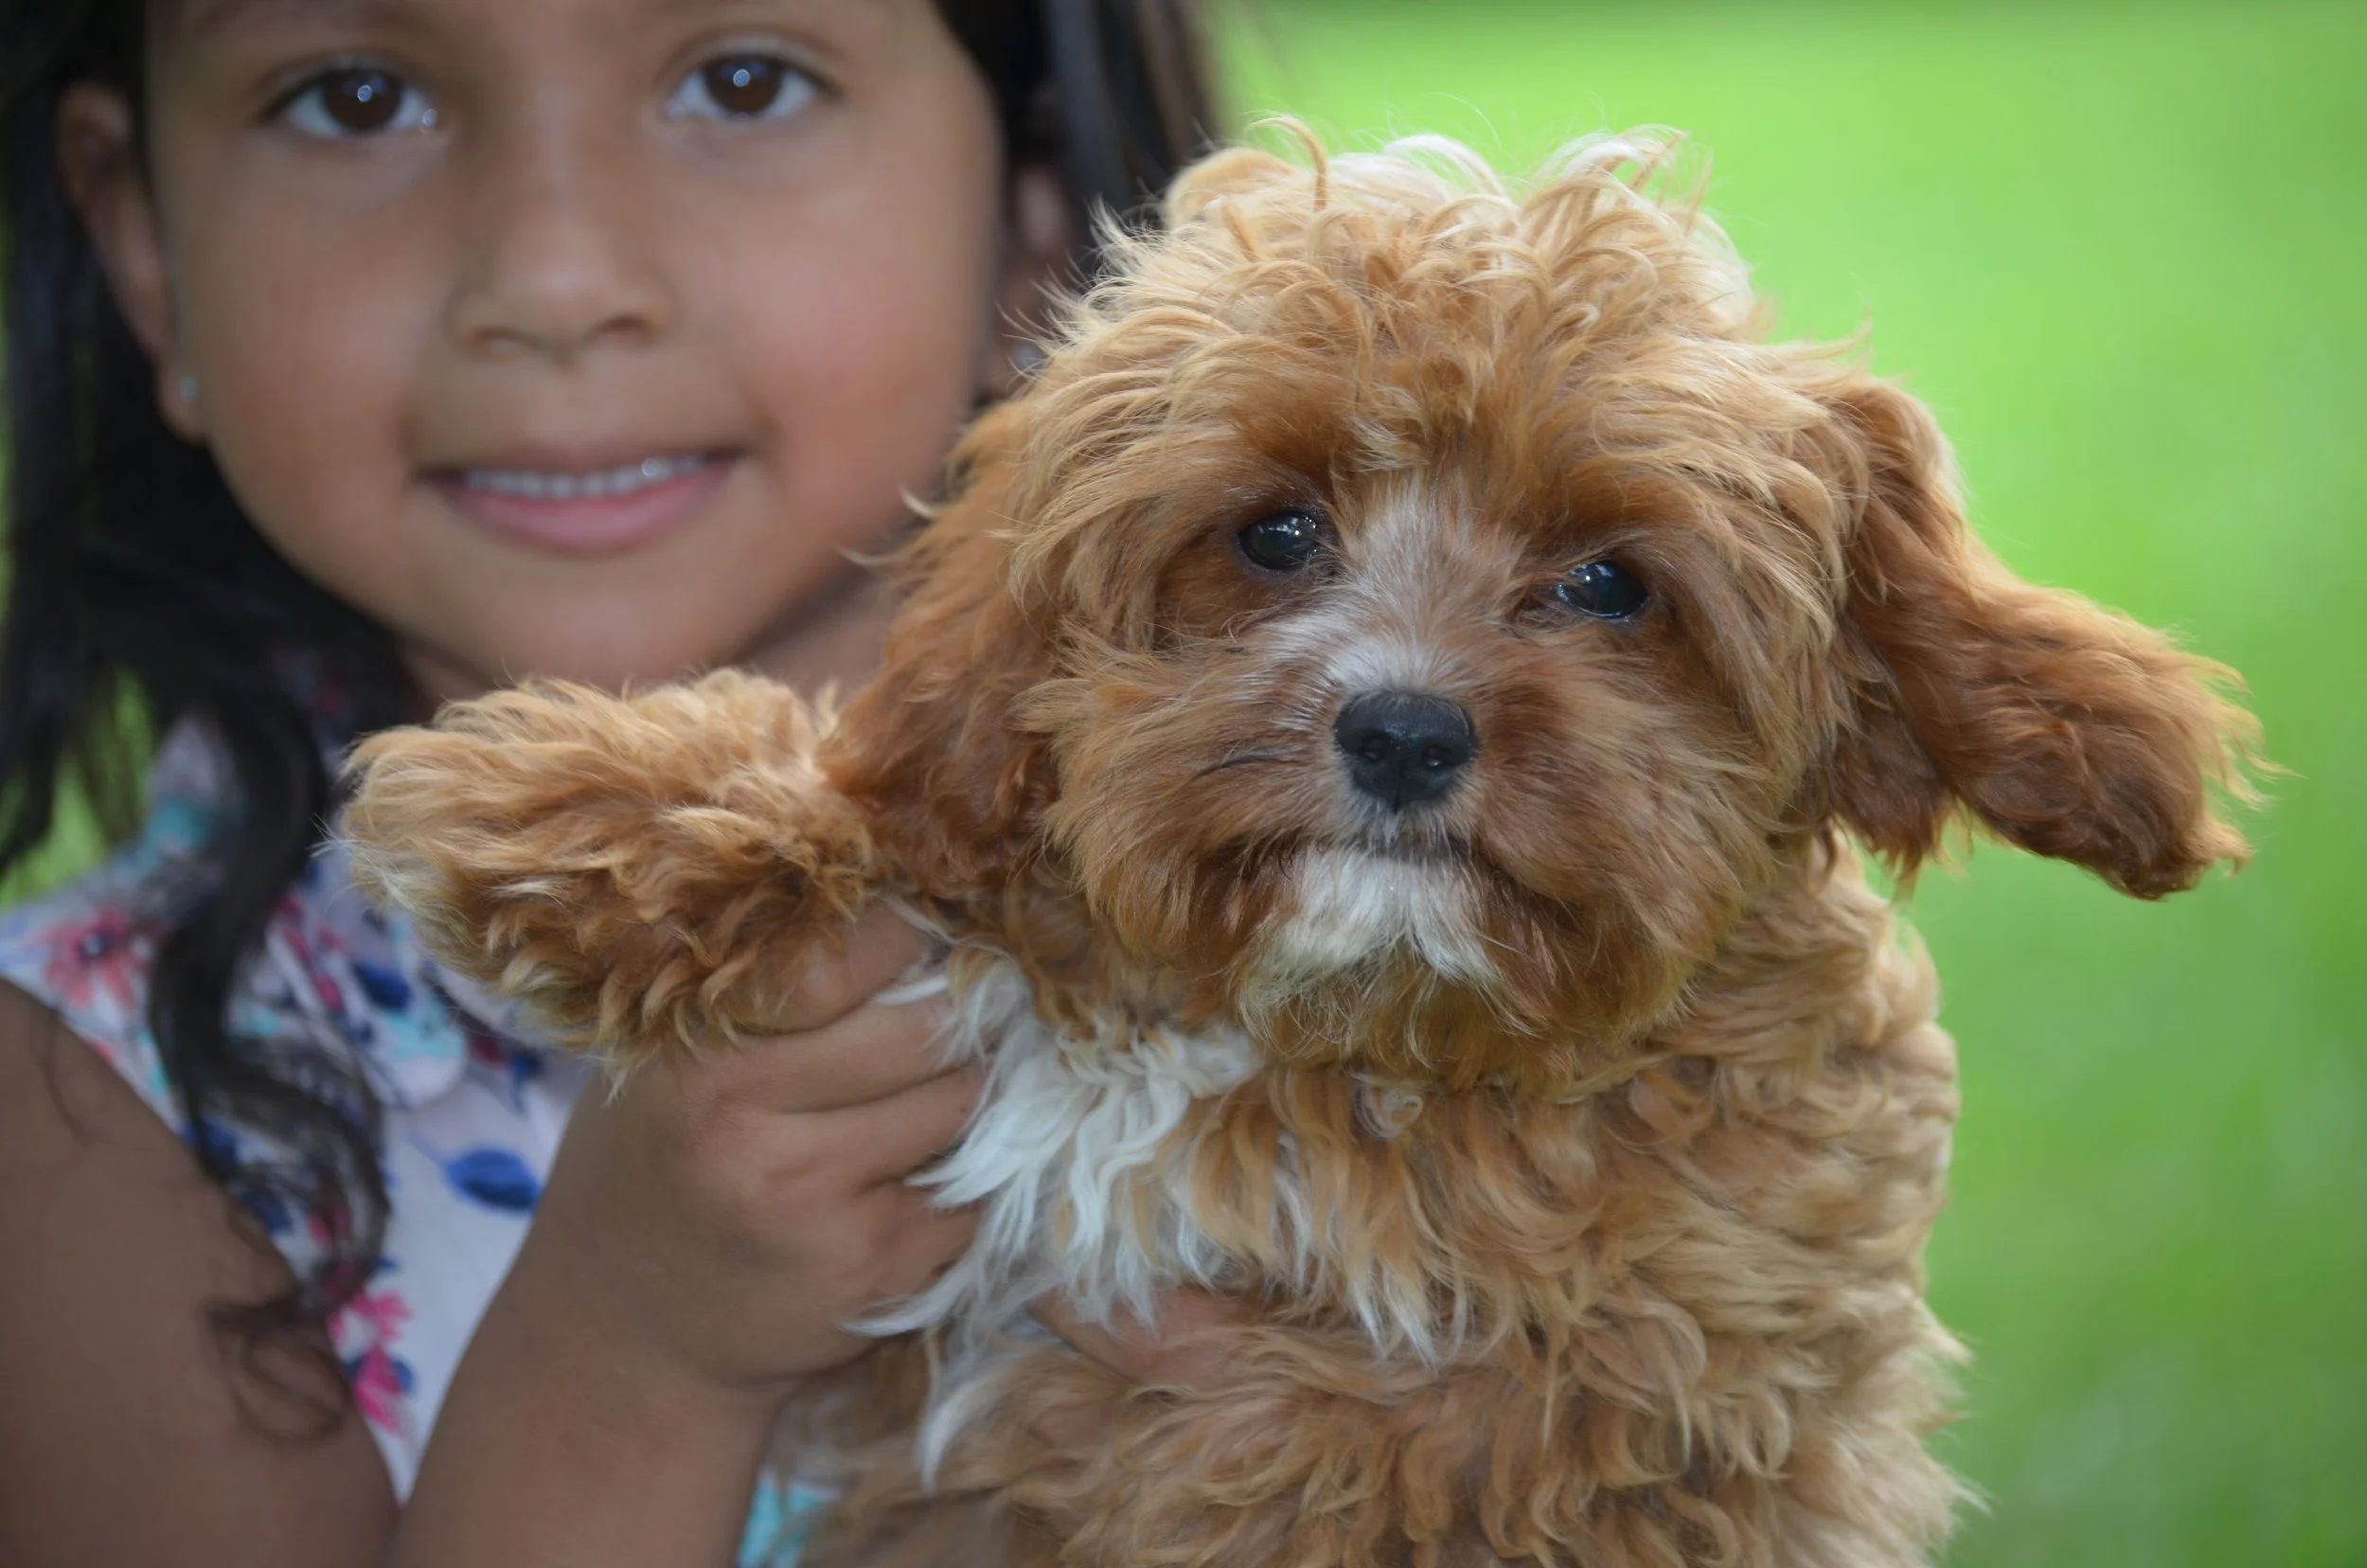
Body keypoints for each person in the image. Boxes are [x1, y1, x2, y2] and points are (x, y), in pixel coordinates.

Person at [0, 1, 1222, 1561]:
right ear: (147, 254)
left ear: (1035, 225)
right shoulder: (72, 1119)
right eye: (356, 96)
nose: (555, 281)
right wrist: (638, 1348)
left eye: (743, 81)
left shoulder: (1377, 810)